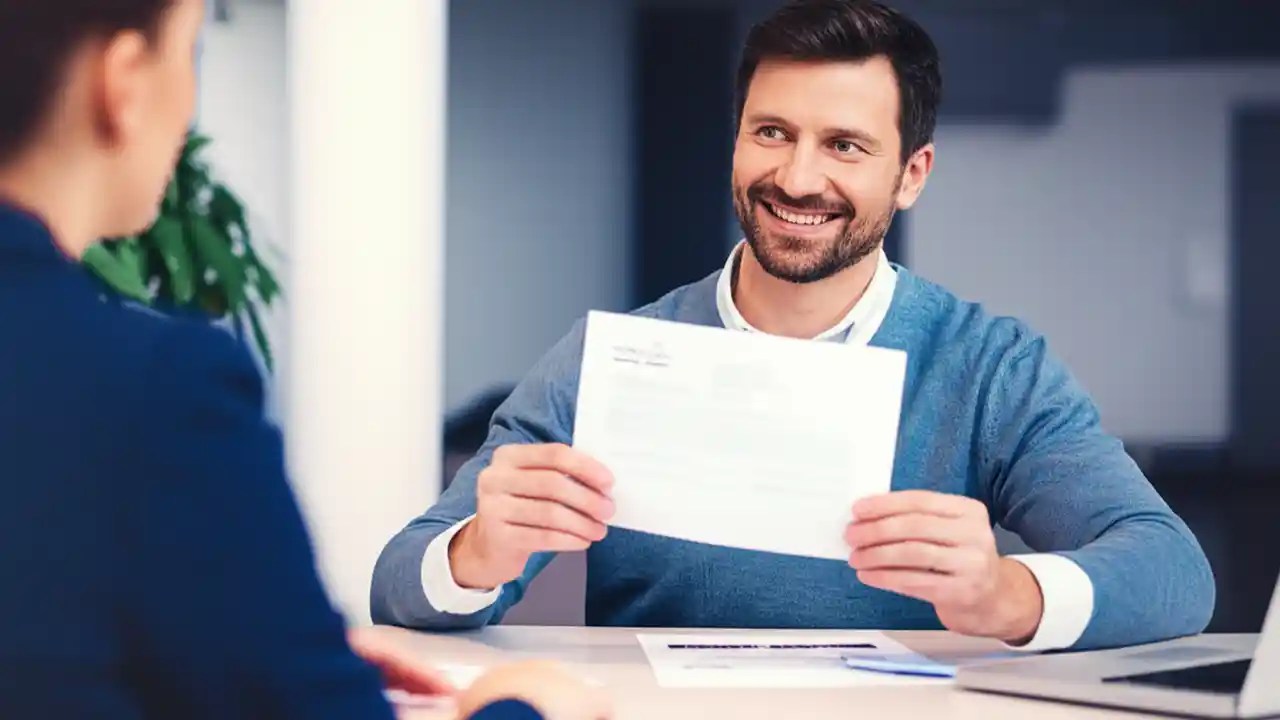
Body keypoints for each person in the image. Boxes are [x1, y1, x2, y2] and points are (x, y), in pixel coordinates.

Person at [372, 0, 1215, 652]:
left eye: (845, 145)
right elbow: (397, 584)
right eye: (771, 133)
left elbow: (1174, 573)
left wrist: (1007, 594)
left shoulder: (991, 366)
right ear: (736, 141)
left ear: (912, 173)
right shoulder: (611, 356)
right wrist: (479, 550)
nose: (797, 176)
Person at [0, 1, 609, 718]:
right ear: (124, 82)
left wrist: (273, 652)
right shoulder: (155, 388)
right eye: (188, 53)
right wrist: (529, 706)